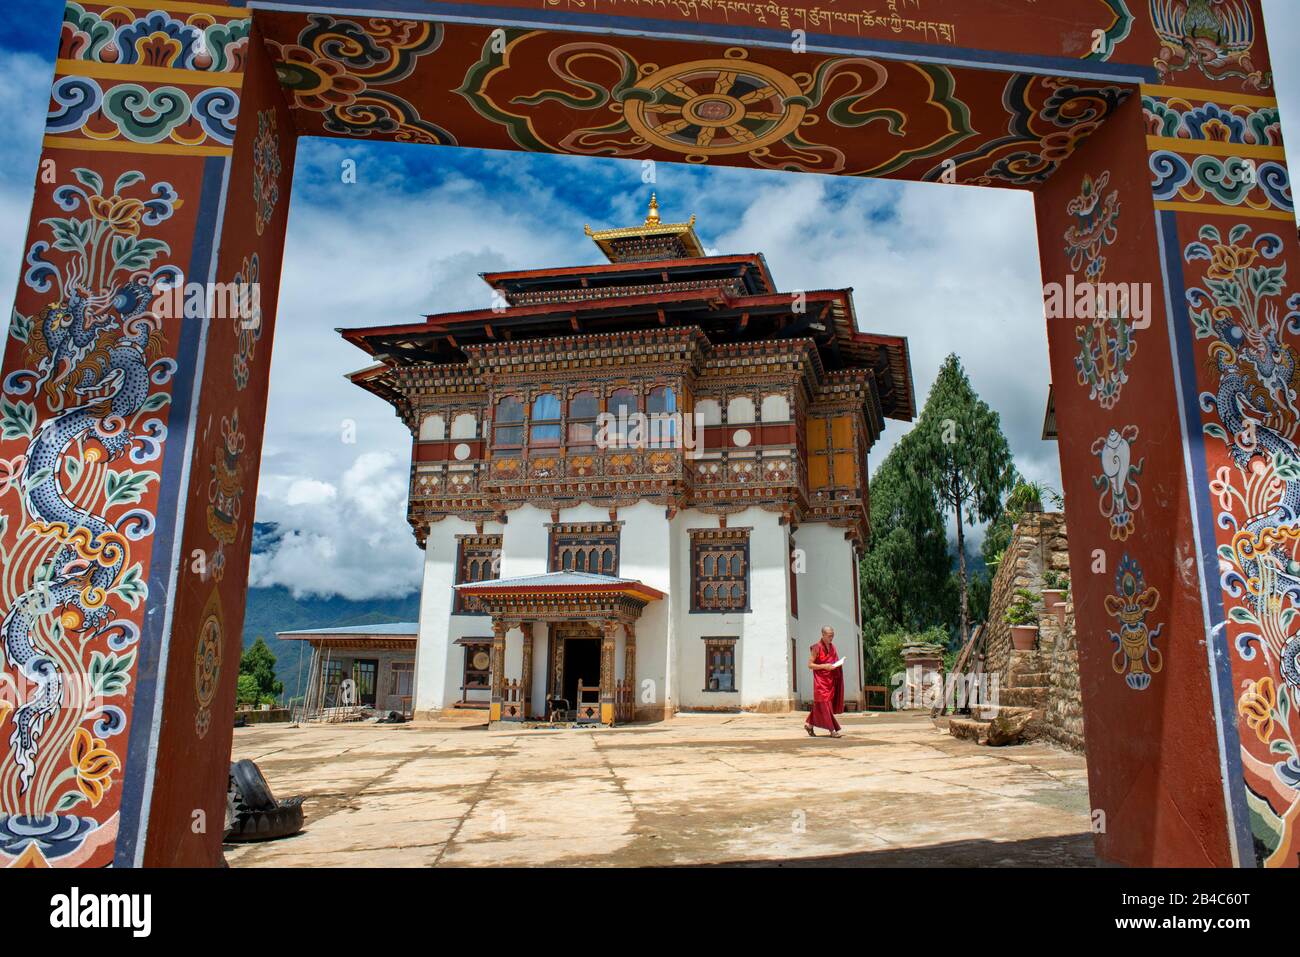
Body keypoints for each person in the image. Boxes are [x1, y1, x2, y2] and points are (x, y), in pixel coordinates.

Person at [805, 626, 845, 738]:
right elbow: (810, 665)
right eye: (829, 635)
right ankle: (832, 730)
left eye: (833, 635)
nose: (831, 637)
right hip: (820, 682)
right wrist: (824, 666)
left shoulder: (833, 647)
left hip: (830, 680)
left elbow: (834, 661)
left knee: (820, 706)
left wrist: (838, 664)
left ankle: (809, 726)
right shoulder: (816, 647)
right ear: (823, 635)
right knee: (825, 704)